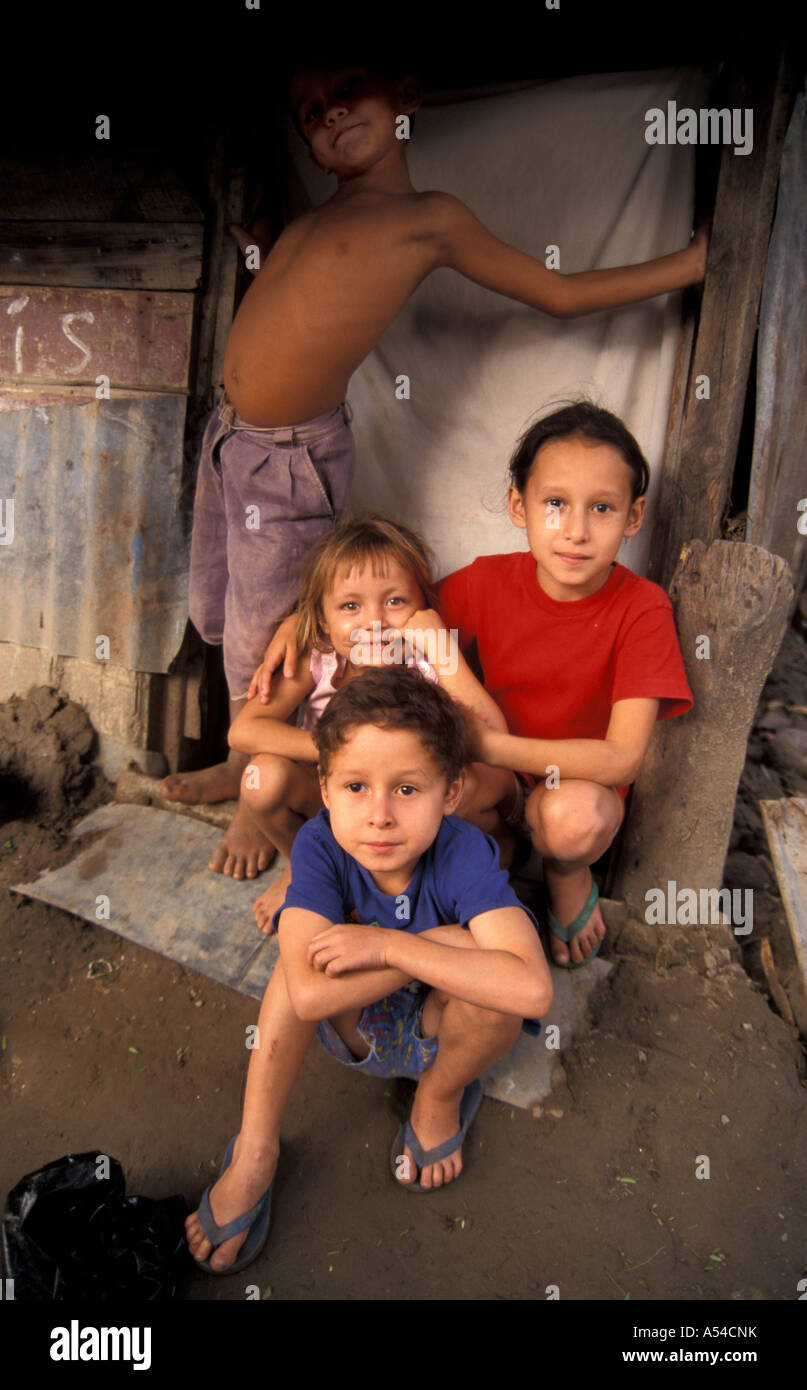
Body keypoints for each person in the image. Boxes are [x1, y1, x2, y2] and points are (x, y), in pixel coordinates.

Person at [160, 55, 708, 881]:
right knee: (236, 615)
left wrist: (690, 265)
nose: (331, 114)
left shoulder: (428, 218)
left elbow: (555, 293)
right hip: (228, 436)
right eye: (311, 112)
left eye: (349, 91)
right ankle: (245, 757)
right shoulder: (310, 219)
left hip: (290, 452)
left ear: (405, 95)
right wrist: (262, 255)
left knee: (268, 635)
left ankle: (251, 793)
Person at [257, 402, 694, 969]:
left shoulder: (642, 608)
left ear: (633, 517)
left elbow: (620, 761)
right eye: (555, 503)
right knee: (415, 800)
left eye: (603, 508)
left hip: (572, 788)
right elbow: (384, 604)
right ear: (520, 505)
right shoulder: (487, 581)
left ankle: (565, 872)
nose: (576, 530)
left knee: (571, 820)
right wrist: (302, 621)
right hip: (486, 785)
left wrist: (489, 747)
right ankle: (451, 887)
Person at [184, 666, 553, 1274]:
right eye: (356, 787)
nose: (379, 815)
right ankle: (254, 1148)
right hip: (350, 1026)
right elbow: (307, 994)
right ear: (324, 790)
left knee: (496, 996)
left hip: (442, 1034)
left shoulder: (462, 851)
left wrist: (392, 947)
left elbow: (533, 990)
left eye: (407, 790)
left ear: (451, 793)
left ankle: (437, 1099)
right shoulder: (321, 846)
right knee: (290, 969)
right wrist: (438, 941)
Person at [230, 513, 515, 932]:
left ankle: (422, 882)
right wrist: (344, 756)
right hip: (339, 798)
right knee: (261, 778)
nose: (374, 621)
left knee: (477, 790)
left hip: (405, 808)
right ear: (324, 621)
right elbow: (244, 731)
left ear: (422, 608)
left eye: (395, 601)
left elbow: (494, 739)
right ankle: (305, 865)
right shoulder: (322, 661)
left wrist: (439, 646)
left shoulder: (426, 662)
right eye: (350, 606)